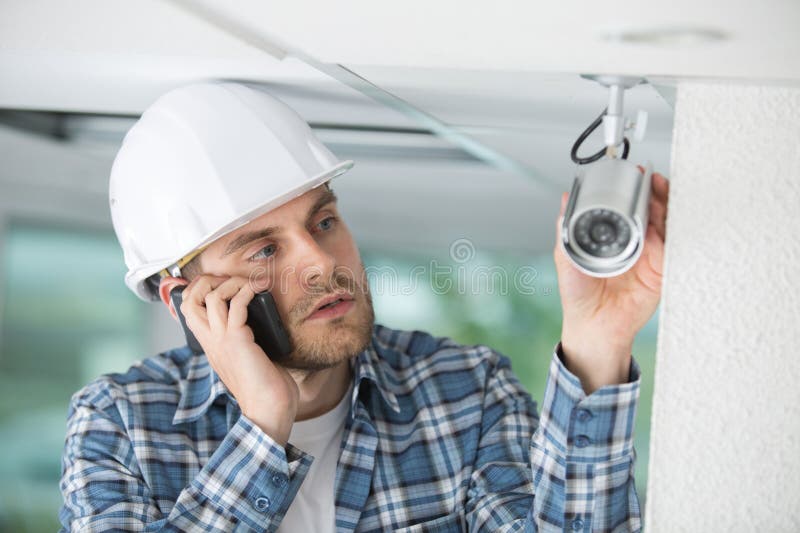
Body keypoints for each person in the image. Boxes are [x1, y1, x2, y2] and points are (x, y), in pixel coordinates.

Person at [58, 82, 669, 532]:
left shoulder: (465, 393)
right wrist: (265, 426)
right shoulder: (120, 426)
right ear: (186, 301)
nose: (322, 263)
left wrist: (598, 341)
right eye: (264, 249)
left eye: (323, 220)